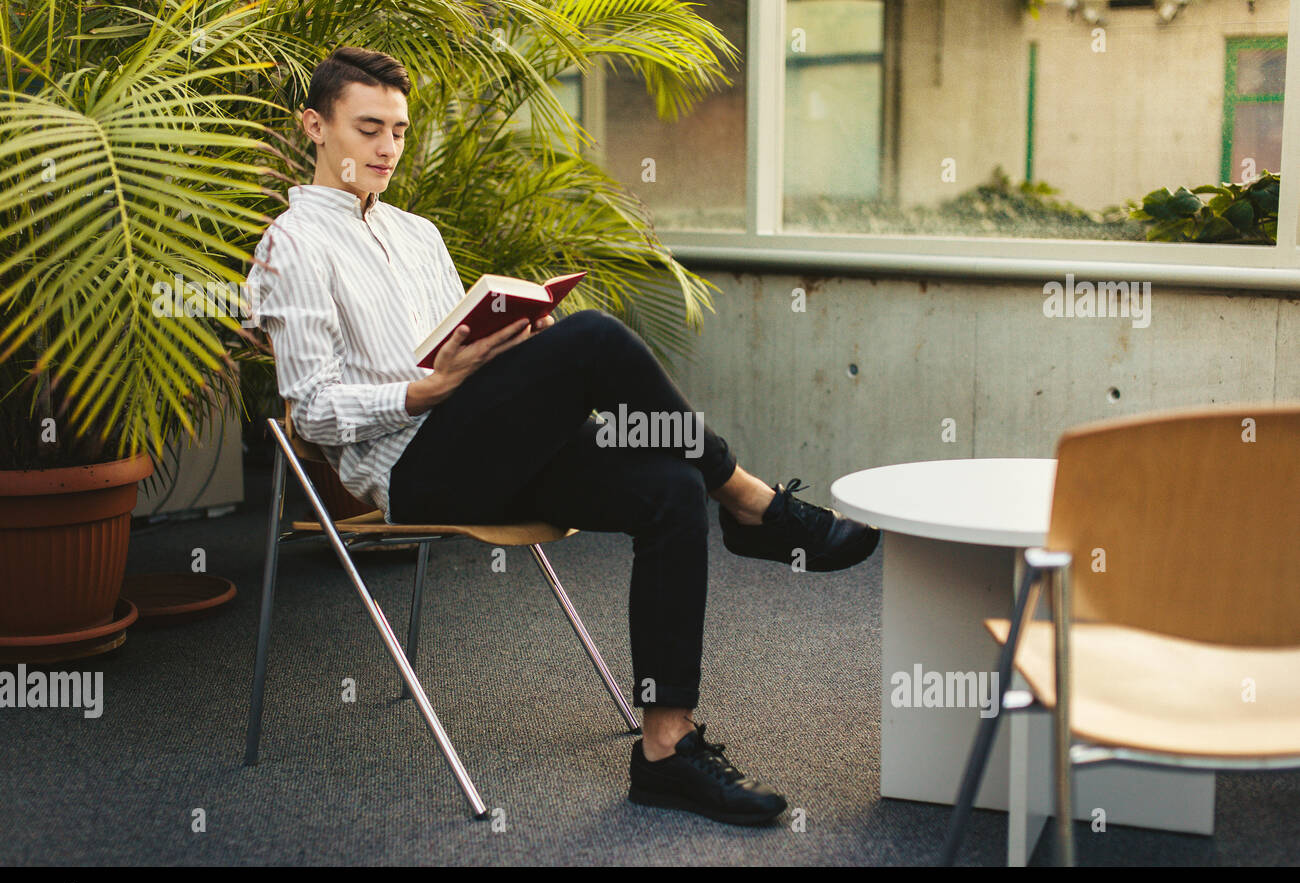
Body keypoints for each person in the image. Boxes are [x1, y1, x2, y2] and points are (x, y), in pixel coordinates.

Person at [245, 46, 880, 827]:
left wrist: (505, 343)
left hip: (487, 445)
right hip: (412, 469)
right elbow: (309, 410)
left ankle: (664, 752)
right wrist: (432, 387)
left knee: (669, 489)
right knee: (597, 343)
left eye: (399, 132)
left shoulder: (417, 233)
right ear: (316, 125)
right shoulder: (292, 245)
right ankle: (753, 503)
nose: (385, 149)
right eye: (367, 127)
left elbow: (455, 350)